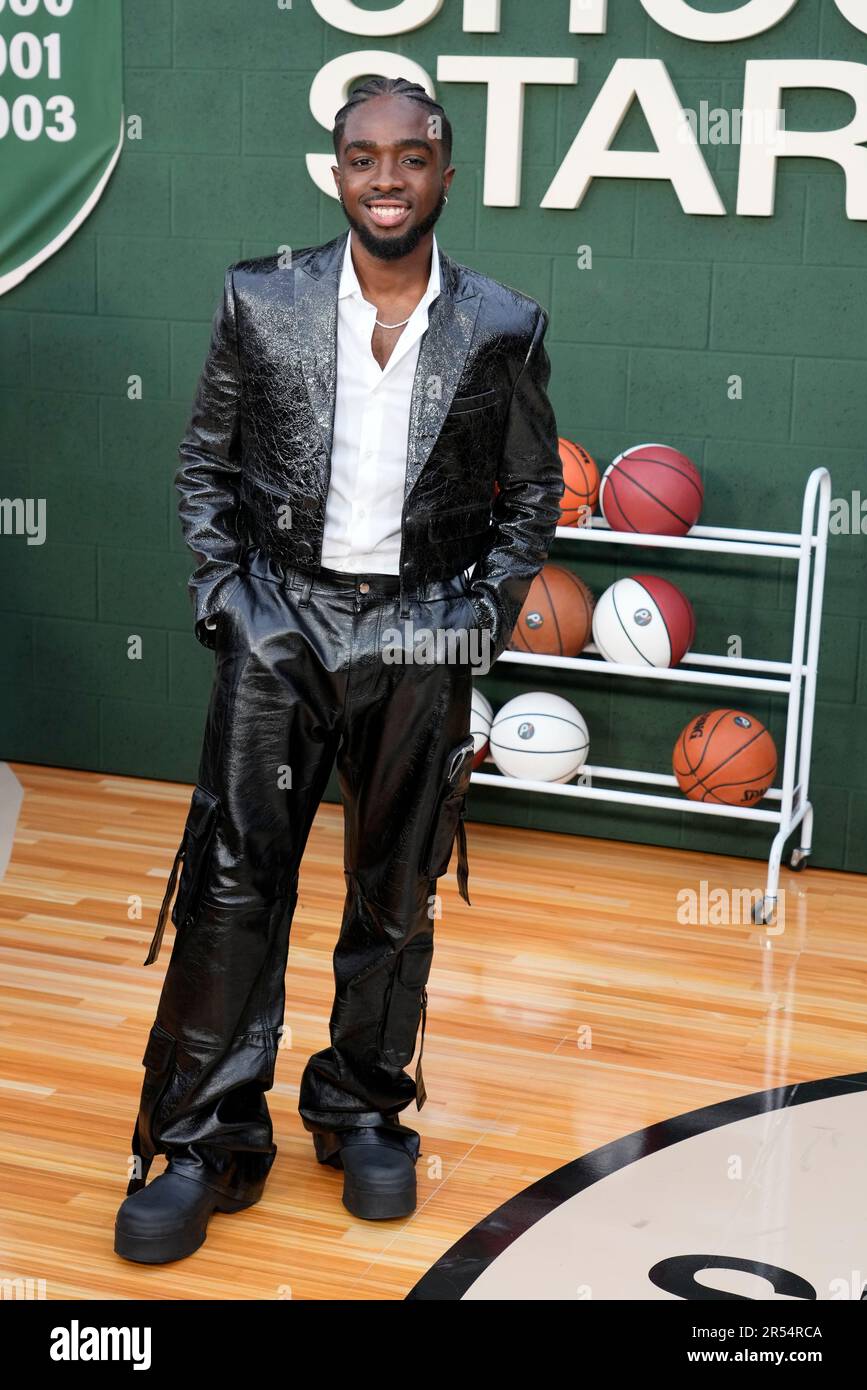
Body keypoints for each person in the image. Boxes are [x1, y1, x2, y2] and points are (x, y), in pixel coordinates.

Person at [114, 75, 564, 1265]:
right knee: (230, 884)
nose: (383, 178)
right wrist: (230, 603)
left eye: (407, 158)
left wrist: (475, 619)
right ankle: (206, 1139)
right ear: (335, 171)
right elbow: (204, 468)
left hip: (421, 627)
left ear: (444, 175)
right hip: (282, 620)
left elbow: (530, 498)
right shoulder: (256, 297)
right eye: (360, 158)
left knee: (393, 888)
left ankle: (362, 1107)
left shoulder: (503, 322)